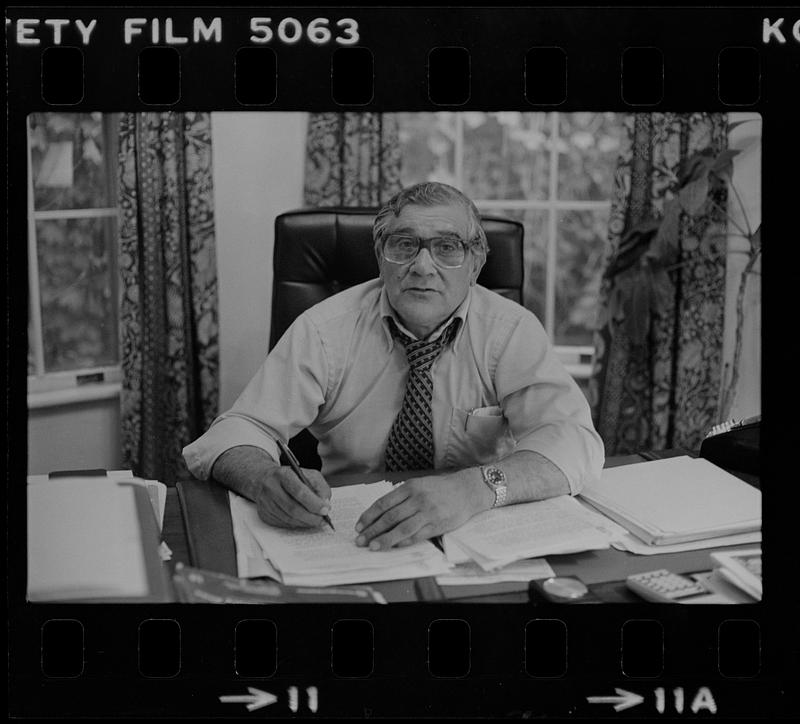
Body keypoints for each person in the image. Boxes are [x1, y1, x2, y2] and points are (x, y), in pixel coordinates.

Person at [183, 182, 604, 551]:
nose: (422, 267)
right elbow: (238, 429)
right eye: (404, 245)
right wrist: (263, 479)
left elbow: (573, 439)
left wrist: (474, 488)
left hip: (477, 525)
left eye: (447, 247)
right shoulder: (325, 330)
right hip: (353, 531)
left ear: (475, 263)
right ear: (381, 257)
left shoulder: (510, 330)